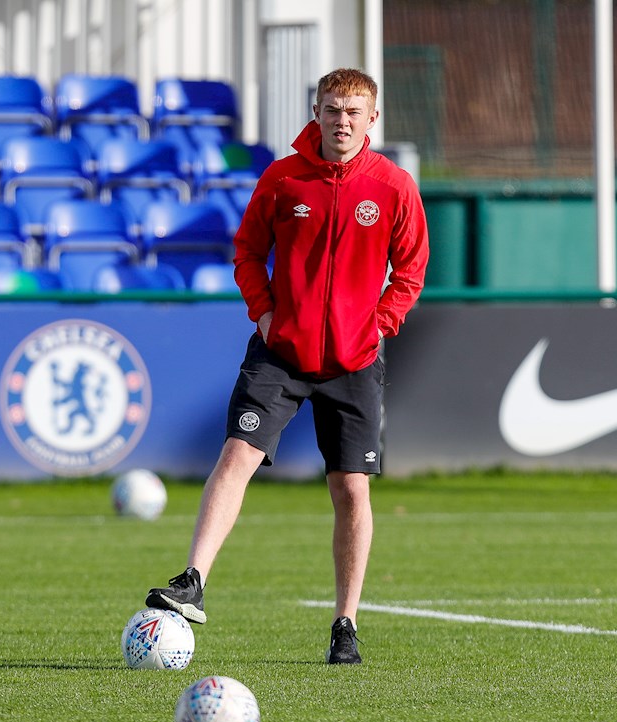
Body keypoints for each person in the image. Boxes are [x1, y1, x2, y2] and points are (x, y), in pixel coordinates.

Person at [143, 68, 429, 664]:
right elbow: (247, 251)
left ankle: (345, 624)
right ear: (317, 112)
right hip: (281, 352)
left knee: (351, 489)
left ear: (372, 119)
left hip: (355, 360)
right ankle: (193, 580)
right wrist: (265, 314)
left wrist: (378, 326)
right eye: (331, 109)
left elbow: (410, 272)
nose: (342, 121)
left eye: (353, 112)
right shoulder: (282, 178)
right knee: (235, 456)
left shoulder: (394, 186)